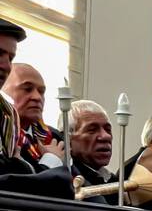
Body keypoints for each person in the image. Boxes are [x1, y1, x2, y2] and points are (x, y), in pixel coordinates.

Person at [0, 19, 73, 198]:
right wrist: (51, 162)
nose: (5, 65)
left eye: (10, 58)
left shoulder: (55, 138)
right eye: (27, 89)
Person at [65, 100, 117, 198]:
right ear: (68, 140)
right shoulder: (66, 181)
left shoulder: (114, 180)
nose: (106, 136)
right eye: (92, 130)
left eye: (108, 129)